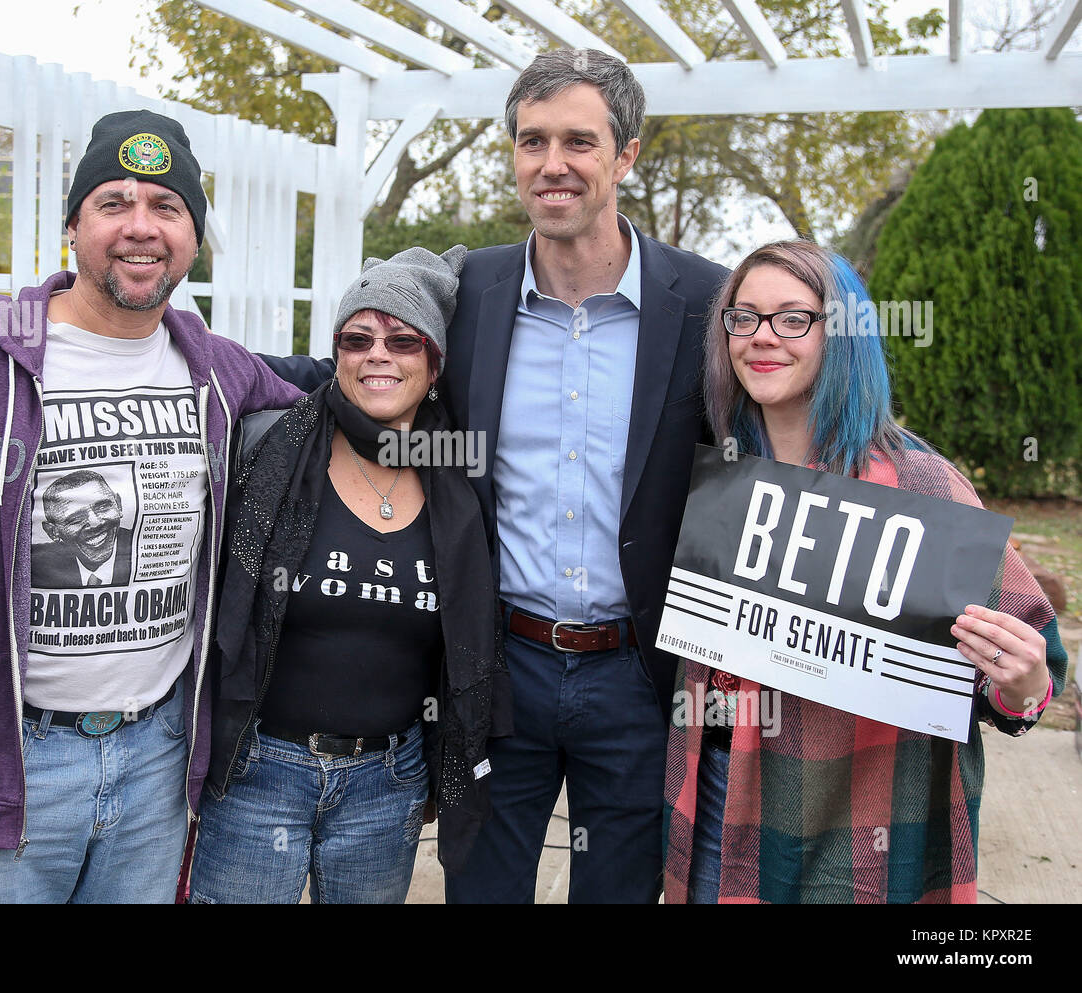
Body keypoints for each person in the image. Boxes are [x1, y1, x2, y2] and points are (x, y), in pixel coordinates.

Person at [264, 48, 728, 903]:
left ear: (626, 155)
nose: (553, 164)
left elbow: (795, 428)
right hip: (495, 667)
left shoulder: (704, 301)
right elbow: (365, 364)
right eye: (532, 141)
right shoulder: (467, 286)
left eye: (579, 142)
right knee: (479, 889)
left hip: (637, 673)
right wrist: (186, 362)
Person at [0, 109, 301, 903]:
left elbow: (335, 403)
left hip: (158, 757)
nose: (140, 228)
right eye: (114, 202)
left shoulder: (217, 371)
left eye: (166, 207)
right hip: (6, 762)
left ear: (192, 235)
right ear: (74, 226)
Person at [662, 239, 1069, 903]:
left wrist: (1021, 683)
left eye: (794, 318)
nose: (763, 338)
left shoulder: (920, 485)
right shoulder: (721, 475)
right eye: (744, 317)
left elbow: (1033, 680)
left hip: (861, 831)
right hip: (717, 805)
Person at [188, 246, 508, 903]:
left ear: (435, 360)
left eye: (403, 339)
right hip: (259, 771)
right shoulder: (272, 447)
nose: (378, 354)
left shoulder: (460, 474)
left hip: (387, 782)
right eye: (357, 338)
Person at [30, 469, 134, 588]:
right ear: (53, 532)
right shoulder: (37, 563)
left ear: (118, 505)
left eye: (103, 507)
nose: (95, 523)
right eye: (76, 519)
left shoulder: (147, 544)